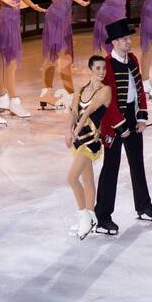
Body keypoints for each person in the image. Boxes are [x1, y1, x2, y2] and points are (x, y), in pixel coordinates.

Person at [94, 18, 152, 234]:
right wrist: (120, 125)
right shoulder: (107, 66)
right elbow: (108, 101)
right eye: (123, 39)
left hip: (132, 119)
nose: (128, 42)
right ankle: (103, 216)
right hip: (113, 124)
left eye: (128, 38)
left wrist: (141, 116)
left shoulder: (132, 59)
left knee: (137, 163)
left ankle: (143, 205)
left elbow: (139, 88)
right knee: (111, 169)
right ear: (113, 42)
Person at [65, 53, 110, 240]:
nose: (102, 72)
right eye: (98, 68)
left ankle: (83, 215)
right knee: (88, 180)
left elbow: (89, 111)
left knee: (71, 178)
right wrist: (69, 130)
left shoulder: (105, 90)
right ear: (90, 69)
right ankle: (91, 217)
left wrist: (76, 130)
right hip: (77, 140)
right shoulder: (80, 89)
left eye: (104, 68)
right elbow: (74, 111)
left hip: (90, 142)